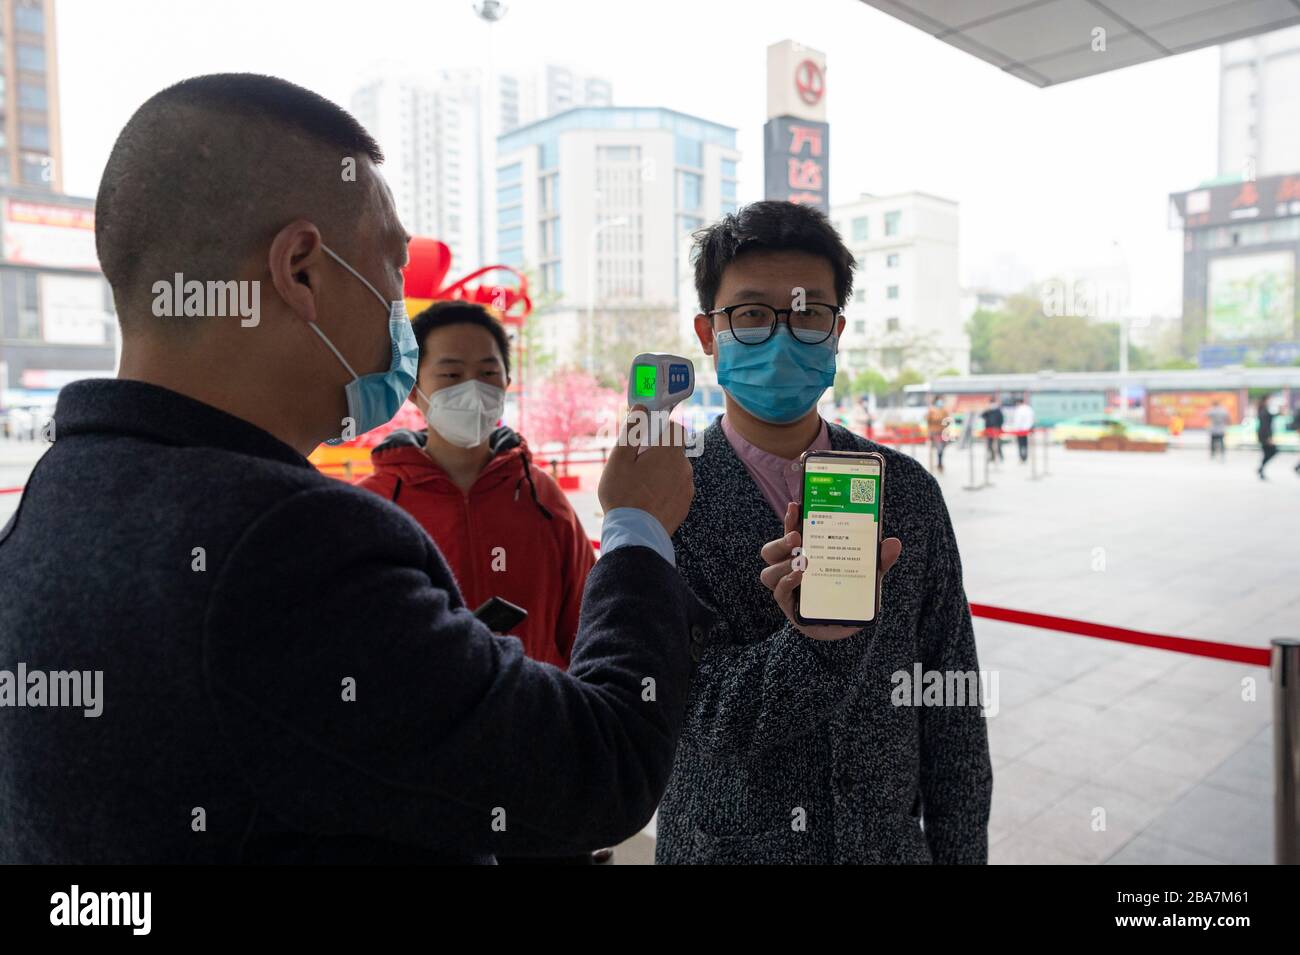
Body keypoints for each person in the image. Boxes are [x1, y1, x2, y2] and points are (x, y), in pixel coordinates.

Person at [0, 74, 712, 864]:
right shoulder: (297, 544)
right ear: (301, 268)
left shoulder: (51, 500)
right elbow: (599, 766)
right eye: (391, 265)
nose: (397, 307)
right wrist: (639, 526)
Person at [655, 201, 992, 864]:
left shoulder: (907, 492)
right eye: (751, 314)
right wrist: (810, 645)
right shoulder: (662, 497)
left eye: (808, 313)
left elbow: (950, 704)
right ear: (707, 331)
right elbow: (677, 723)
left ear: (837, 330)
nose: (782, 335)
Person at [357, 301, 593, 671]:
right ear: (414, 389)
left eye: (487, 373)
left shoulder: (542, 496)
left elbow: (584, 621)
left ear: (506, 385)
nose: (472, 389)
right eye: (451, 375)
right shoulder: (375, 503)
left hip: (535, 714)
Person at [926, 397, 950, 473]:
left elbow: (948, 421)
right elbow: (928, 421)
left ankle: (940, 463)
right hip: (935, 433)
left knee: (942, 448)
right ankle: (939, 464)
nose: (940, 403)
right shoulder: (931, 411)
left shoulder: (944, 410)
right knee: (939, 448)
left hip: (943, 432)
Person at [1257, 395, 1278, 479]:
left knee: (1267, 453)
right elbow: (1264, 425)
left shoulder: (1263, 410)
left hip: (1263, 434)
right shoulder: (1263, 411)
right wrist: (1268, 437)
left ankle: (1261, 469)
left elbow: (1271, 417)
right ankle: (1261, 469)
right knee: (1273, 451)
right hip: (1264, 435)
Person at [1010, 396, 1035, 463]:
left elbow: (1017, 421)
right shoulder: (1029, 408)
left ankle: (1022, 457)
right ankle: (1025, 456)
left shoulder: (1019, 409)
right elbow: (1032, 419)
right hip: (1027, 429)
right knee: (1025, 444)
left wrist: (1016, 429)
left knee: (1020, 444)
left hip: (1020, 430)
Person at [980, 399, 1004, 464]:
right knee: (989, 445)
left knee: (998, 444)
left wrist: (999, 427)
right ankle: (992, 457)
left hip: (996, 430)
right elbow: (982, 416)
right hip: (988, 430)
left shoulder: (998, 411)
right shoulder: (988, 411)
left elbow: (1001, 420)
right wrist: (986, 410)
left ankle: (1001, 456)